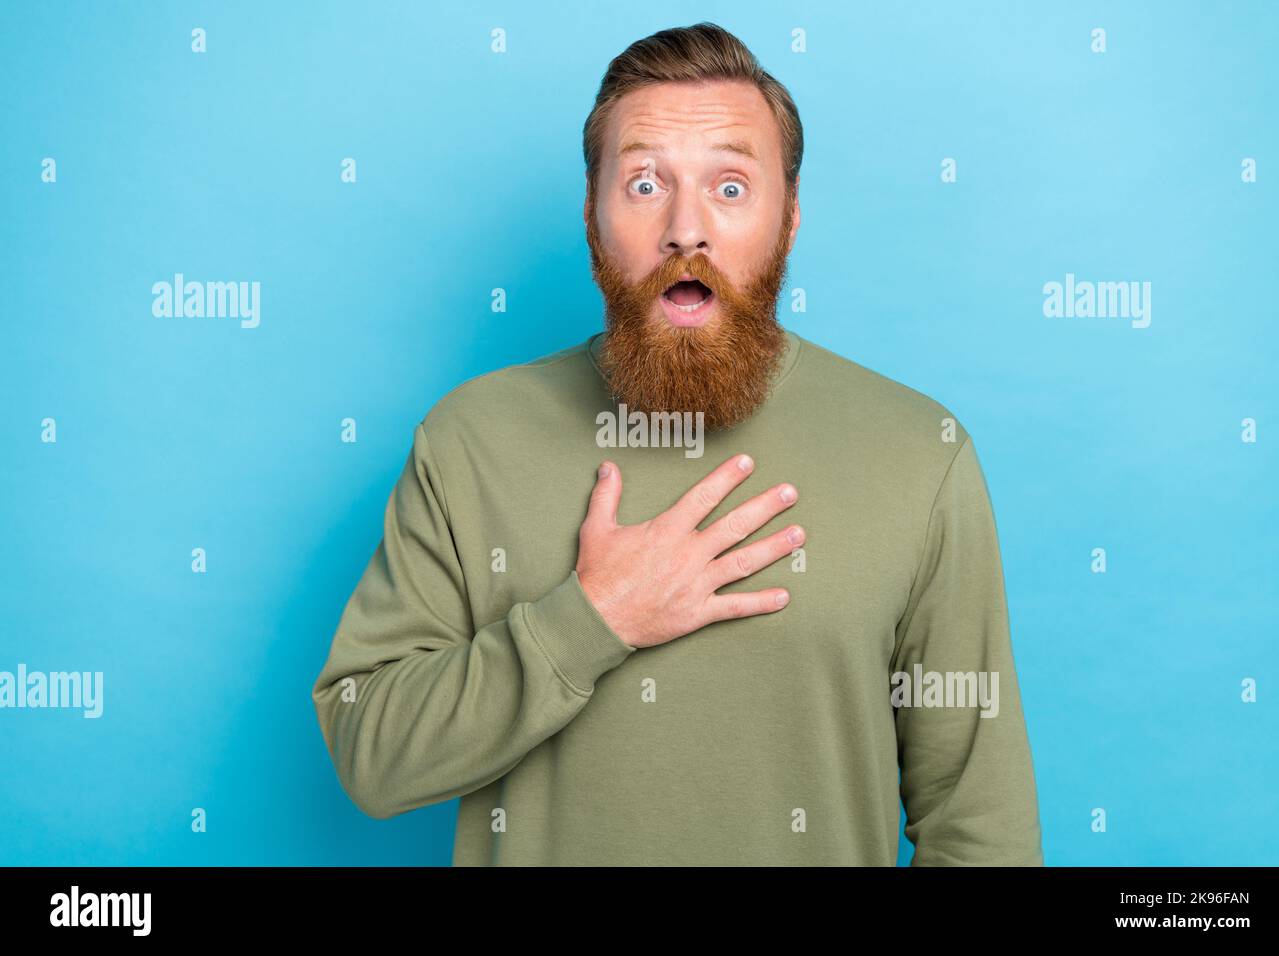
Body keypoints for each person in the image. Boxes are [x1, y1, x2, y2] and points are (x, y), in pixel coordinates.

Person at [311, 21, 1044, 866]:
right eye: (645, 183)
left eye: (730, 187)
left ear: (791, 217)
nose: (685, 229)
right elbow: (368, 754)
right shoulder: (470, 439)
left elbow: (980, 827)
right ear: (591, 213)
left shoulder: (923, 453)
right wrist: (590, 619)